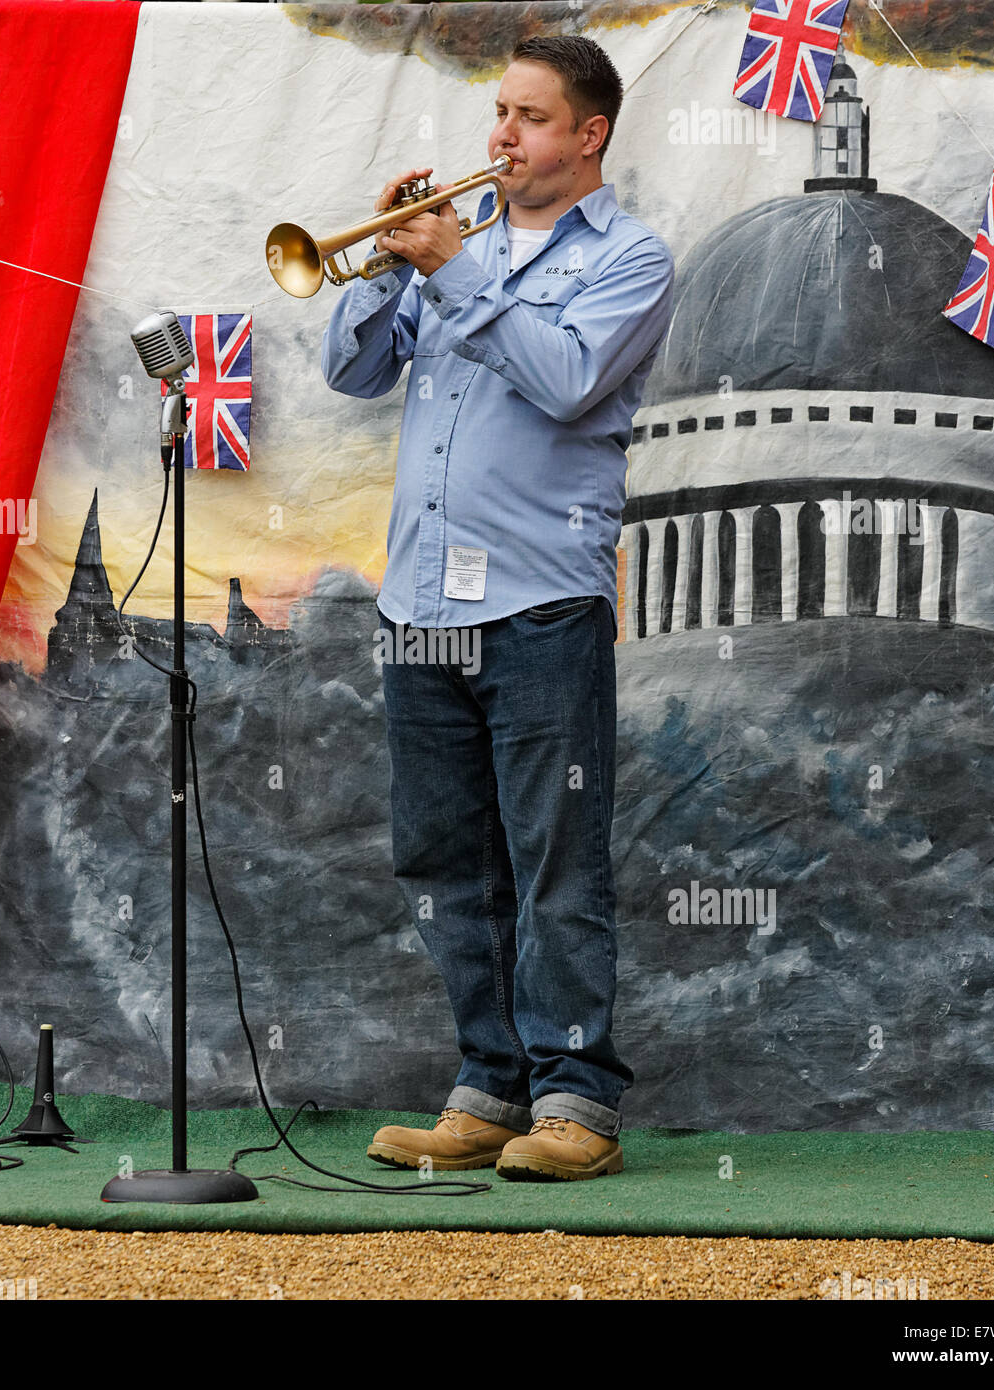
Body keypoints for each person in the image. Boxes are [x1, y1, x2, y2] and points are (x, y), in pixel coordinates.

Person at [321, 34, 675, 1181]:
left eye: (529, 117)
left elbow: (569, 380)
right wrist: (382, 263)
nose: (500, 138)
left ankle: (575, 1098)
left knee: (552, 855)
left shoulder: (631, 258)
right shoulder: (445, 255)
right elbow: (354, 375)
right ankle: (487, 1086)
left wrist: (450, 270)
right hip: (419, 598)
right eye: (499, 113)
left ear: (589, 135)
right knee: (440, 854)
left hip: (539, 603)